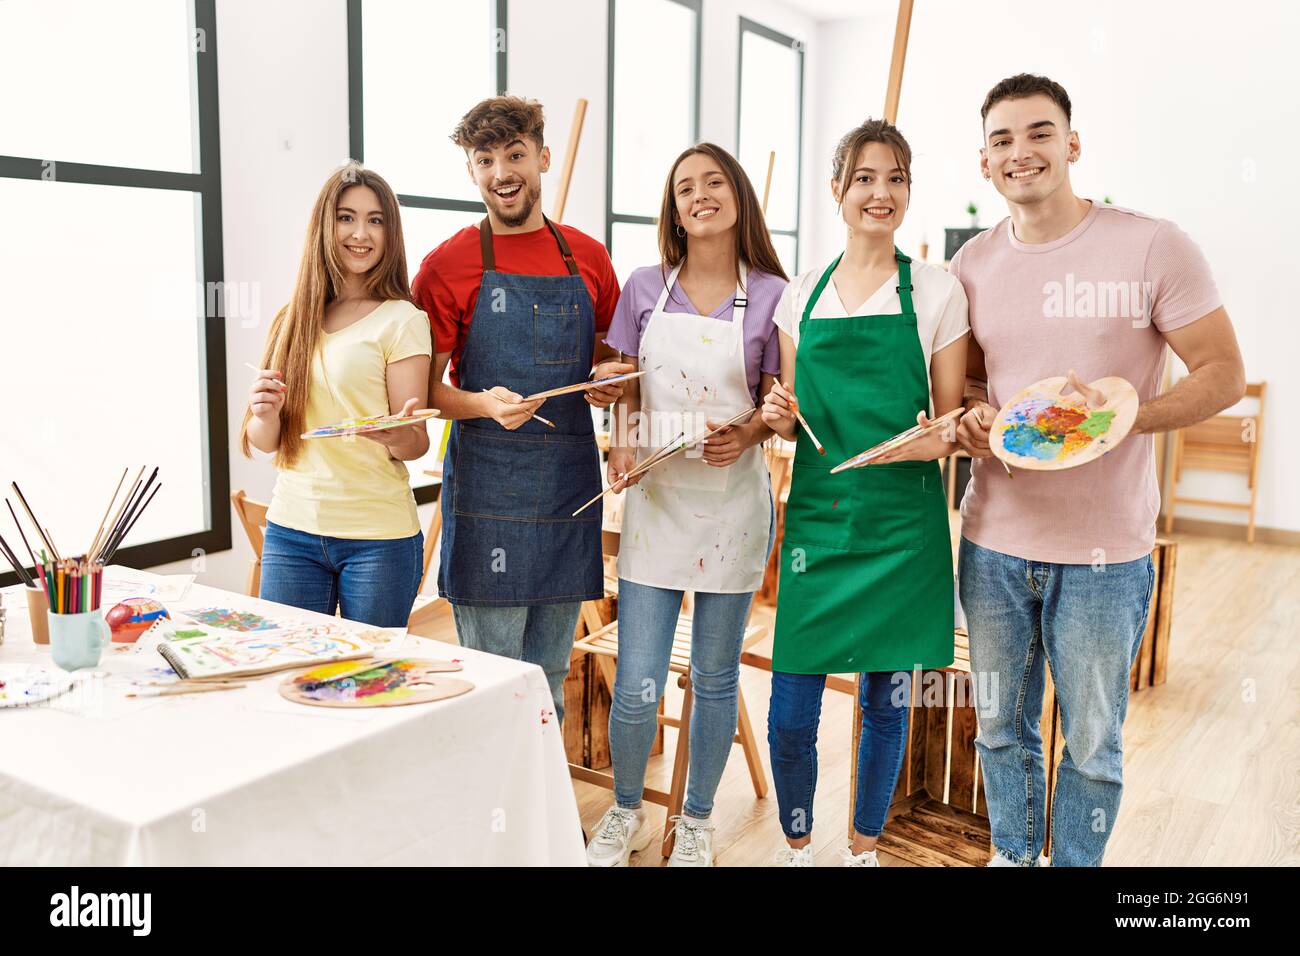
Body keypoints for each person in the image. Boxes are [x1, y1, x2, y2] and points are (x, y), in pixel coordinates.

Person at [952, 73, 1246, 867]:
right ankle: (1015, 856)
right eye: (1004, 140)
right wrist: (976, 417)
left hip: (1105, 554)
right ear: (985, 162)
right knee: (1000, 730)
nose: (1023, 152)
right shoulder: (972, 264)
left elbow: (1222, 371)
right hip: (994, 543)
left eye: (1040, 133)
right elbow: (976, 386)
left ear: (1072, 143)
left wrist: (1127, 419)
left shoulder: (1152, 245)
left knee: (1090, 742)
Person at [761, 119, 970, 867]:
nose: (880, 193)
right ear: (838, 191)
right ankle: (795, 847)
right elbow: (789, 419)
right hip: (819, 525)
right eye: (865, 179)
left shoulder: (940, 290)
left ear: (908, 191)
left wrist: (931, 435)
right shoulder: (798, 297)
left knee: (885, 709)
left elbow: (951, 429)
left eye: (895, 179)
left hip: (902, 532)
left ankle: (862, 850)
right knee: (790, 717)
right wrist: (777, 414)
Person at [585, 144, 787, 867]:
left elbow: (779, 403)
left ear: (737, 196)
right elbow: (625, 383)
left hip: (733, 505)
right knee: (638, 680)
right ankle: (628, 811)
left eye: (712, 183)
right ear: (672, 208)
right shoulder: (643, 287)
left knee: (713, 678)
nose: (699, 196)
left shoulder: (773, 293)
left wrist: (753, 429)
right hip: (658, 503)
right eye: (683, 189)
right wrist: (620, 441)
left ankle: (696, 820)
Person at [411, 96, 633, 723]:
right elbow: (425, 392)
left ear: (542, 157)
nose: (502, 171)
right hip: (490, 497)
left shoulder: (587, 257)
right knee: (494, 676)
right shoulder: (446, 266)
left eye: (514, 154)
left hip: (568, 491)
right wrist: (480, 403)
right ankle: (495, 821)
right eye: (485, 160)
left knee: (550, 676)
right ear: (472, 171)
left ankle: (546, 821)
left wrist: (607, 381)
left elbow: (608, 360)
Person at [240, 163, 432, 627]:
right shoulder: (292, 319)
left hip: (378, 539)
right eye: (346, 218)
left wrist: (396, 434)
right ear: (324, 227)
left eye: (375, 220)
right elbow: (266, 441)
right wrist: (265, 413)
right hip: (292, 532)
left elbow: (415, 442)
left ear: (390, 233)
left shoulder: (402, 319)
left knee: (367, 683)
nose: (360, 233)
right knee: (287, 674)